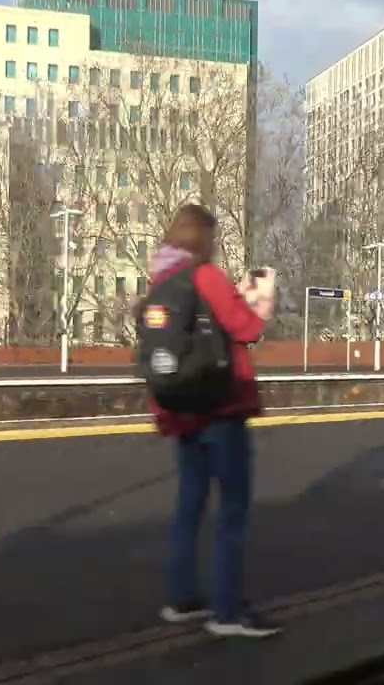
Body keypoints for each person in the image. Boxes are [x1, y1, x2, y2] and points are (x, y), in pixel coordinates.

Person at [145, 203, 281, 638]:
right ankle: (228, 612)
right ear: (205, 238)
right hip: (220, 407)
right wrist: (262, 299)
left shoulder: (162, 280)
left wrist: (235, 295)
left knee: (190, 502)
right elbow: (247, 329)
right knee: (232, 508)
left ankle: (182, 598)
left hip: (181, 407)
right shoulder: (205, 275)